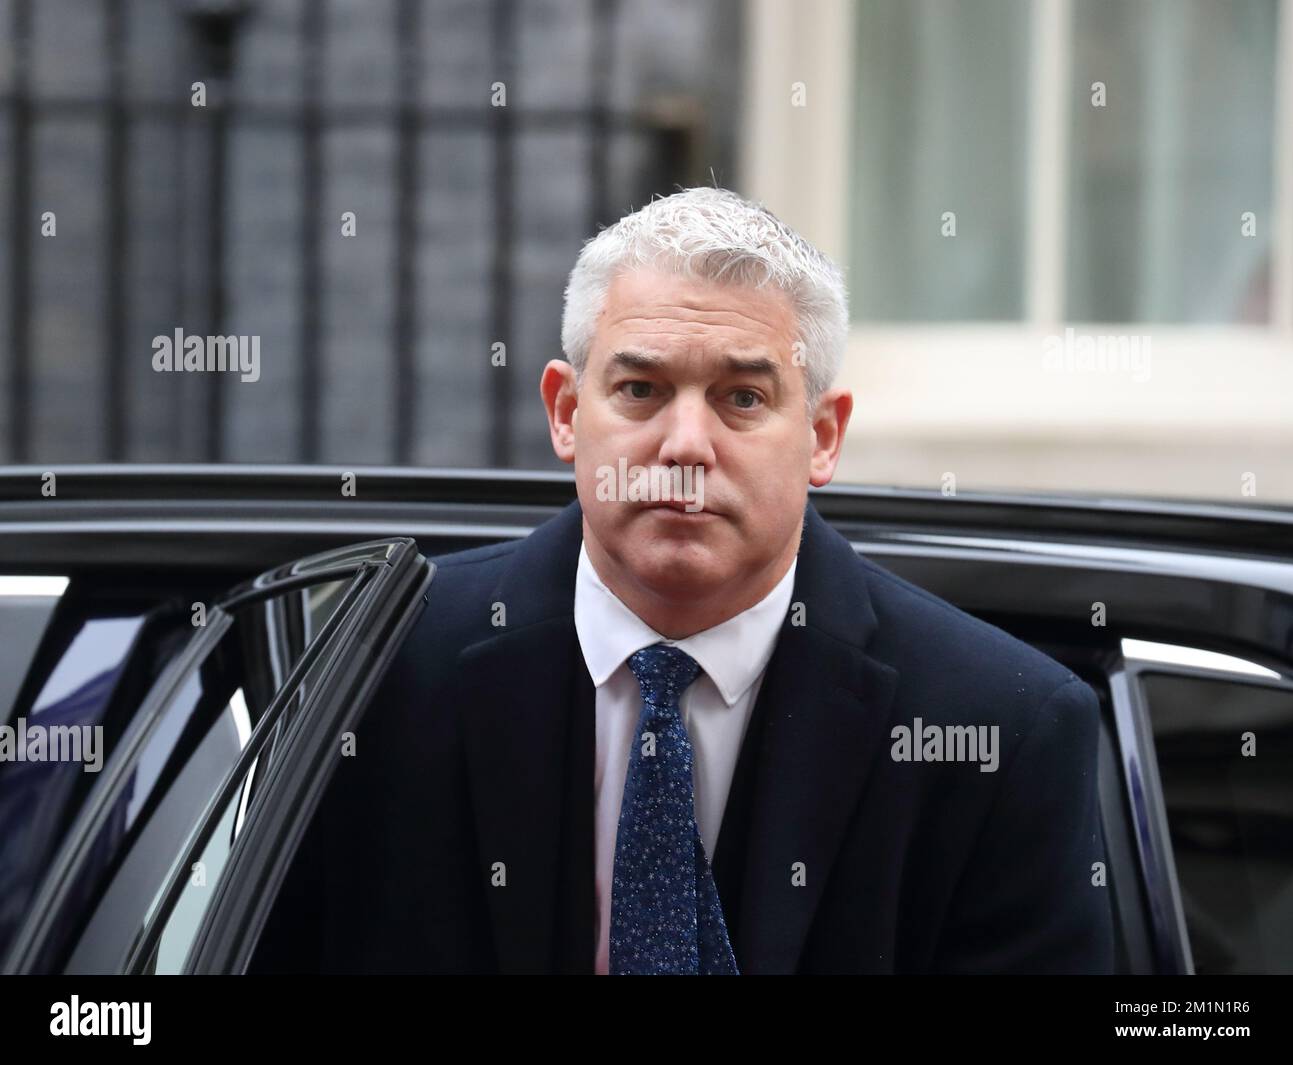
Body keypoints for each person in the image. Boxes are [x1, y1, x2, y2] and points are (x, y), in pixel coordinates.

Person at [258, 187, 1113, 975]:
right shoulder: (380, 669)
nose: (685, 446)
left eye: (743, 398)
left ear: (821, 435)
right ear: (565, 412)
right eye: (640, 389)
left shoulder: (1001, 726)